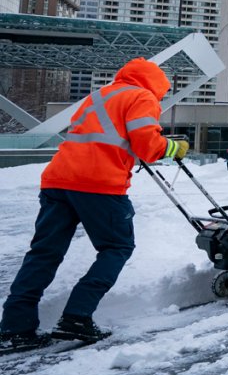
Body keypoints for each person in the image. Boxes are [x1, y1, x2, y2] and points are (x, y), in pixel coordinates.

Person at [0, 58, 188, 352]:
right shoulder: (141, 96)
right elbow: (149, 147)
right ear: (156, 84)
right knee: (117, 247)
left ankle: (15, 327)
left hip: (58, 180)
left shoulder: (100, 96)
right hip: (99, 184)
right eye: (162, 93)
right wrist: (176, 147)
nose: (160, 99)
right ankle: (77, 315)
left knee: (44, 253)